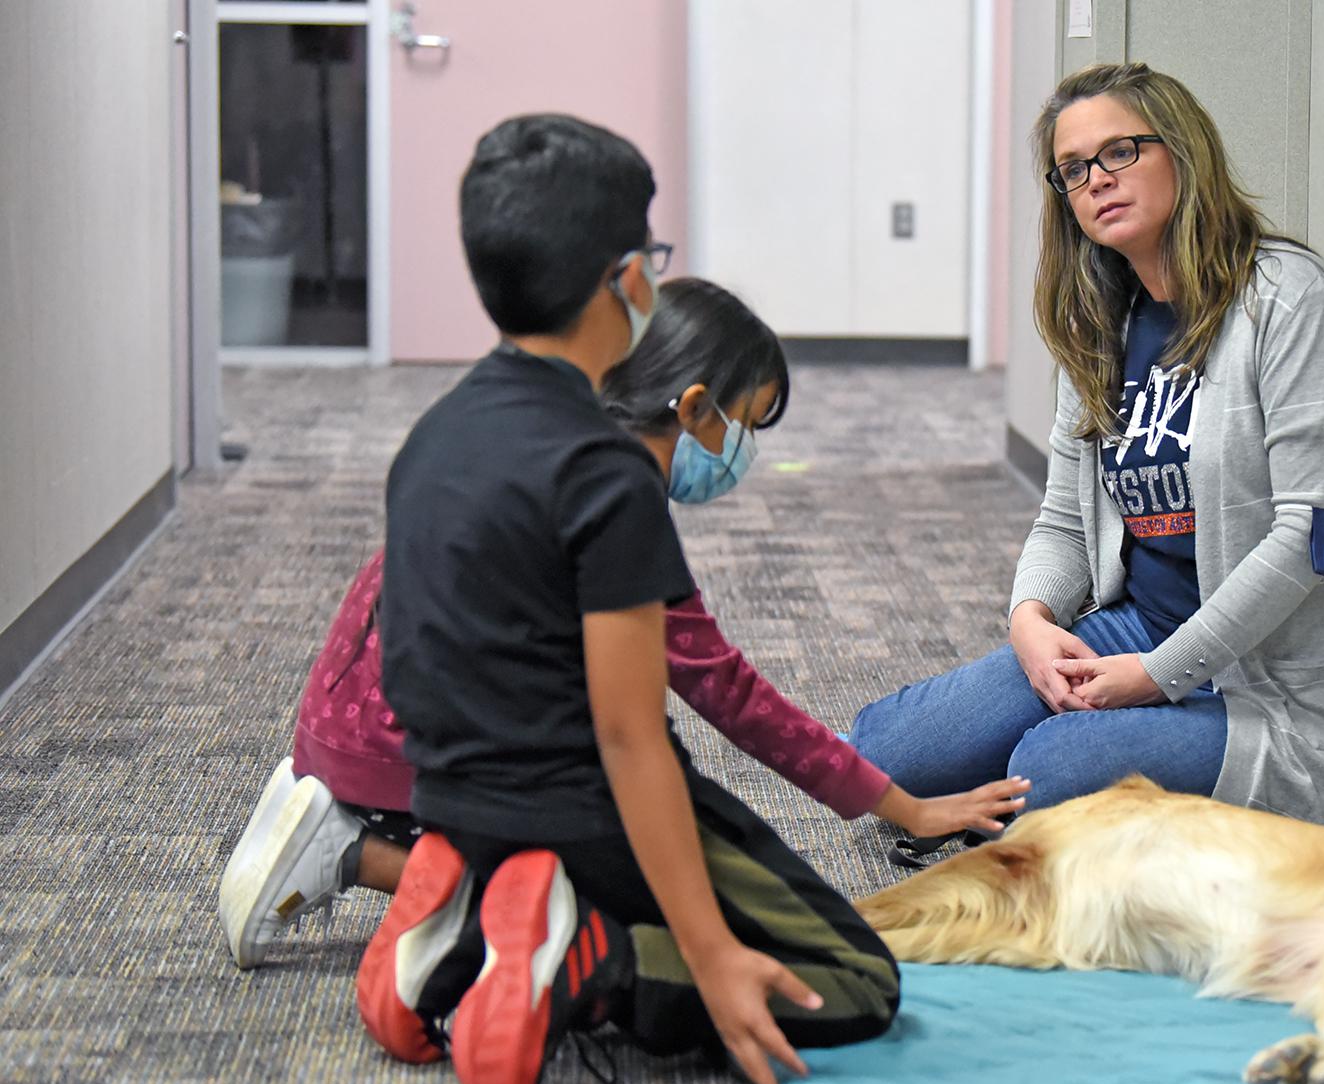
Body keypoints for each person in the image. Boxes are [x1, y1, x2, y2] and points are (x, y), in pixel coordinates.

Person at [268, 113, 937, 1084]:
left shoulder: (436, 434)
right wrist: (705, 955)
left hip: (453, 804)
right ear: (627, 279)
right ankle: (586, 960)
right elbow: (630, 743)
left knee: (579, 853)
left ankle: (462, 925)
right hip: (578, 814)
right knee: (855, 980)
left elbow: (418, 662)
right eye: (652, 260)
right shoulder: (606, 476)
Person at [217, 278, 1026, 972]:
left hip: (345, 722)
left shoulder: (540, 428)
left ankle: (361, 832)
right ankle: (359, 851)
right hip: (406, 756)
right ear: (696, 408)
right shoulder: (612, 503)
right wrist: (907, 810)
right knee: (598, 898)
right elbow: (734, 697)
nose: (743, 454)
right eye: (747, 425)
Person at [850, 62, 1324, 832]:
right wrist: (1031, 623)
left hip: (1265, 685)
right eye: (1074, 169)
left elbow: (1307, 537)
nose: (1097, 180)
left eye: (1121, 152)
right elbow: (1066, 523)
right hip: (1138, 630)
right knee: (889, 754)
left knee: (1048, 767)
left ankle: (1039, 810)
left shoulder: (1290, 299)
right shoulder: (1108, 322)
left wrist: (1157, 676)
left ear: (1182, 151)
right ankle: (1037, 809)